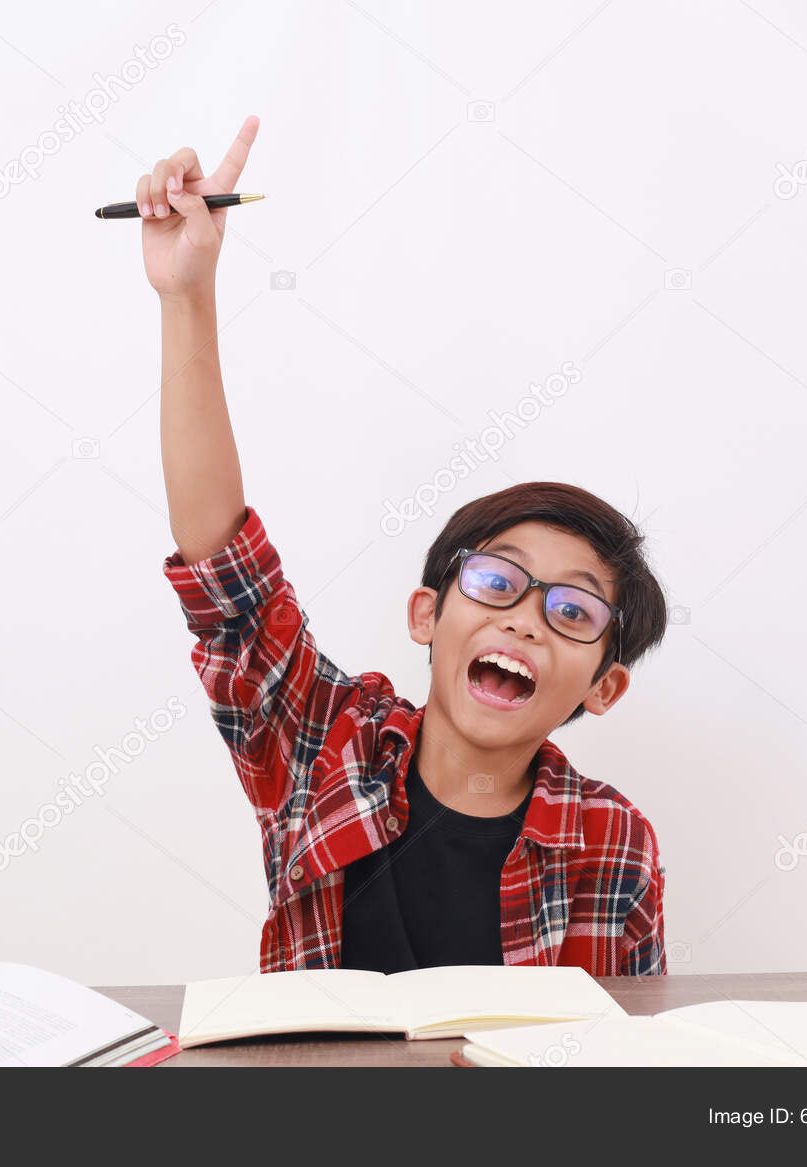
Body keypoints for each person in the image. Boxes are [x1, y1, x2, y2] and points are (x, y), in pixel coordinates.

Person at [146, 117, 669, 975]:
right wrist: (185, 297)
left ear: (605, 684)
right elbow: (226, 579)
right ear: (428, 612)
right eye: (499, 581)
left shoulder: (612, 842)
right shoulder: (322, 743)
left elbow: (625, 1055)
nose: (528, 621)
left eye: (573, 609)